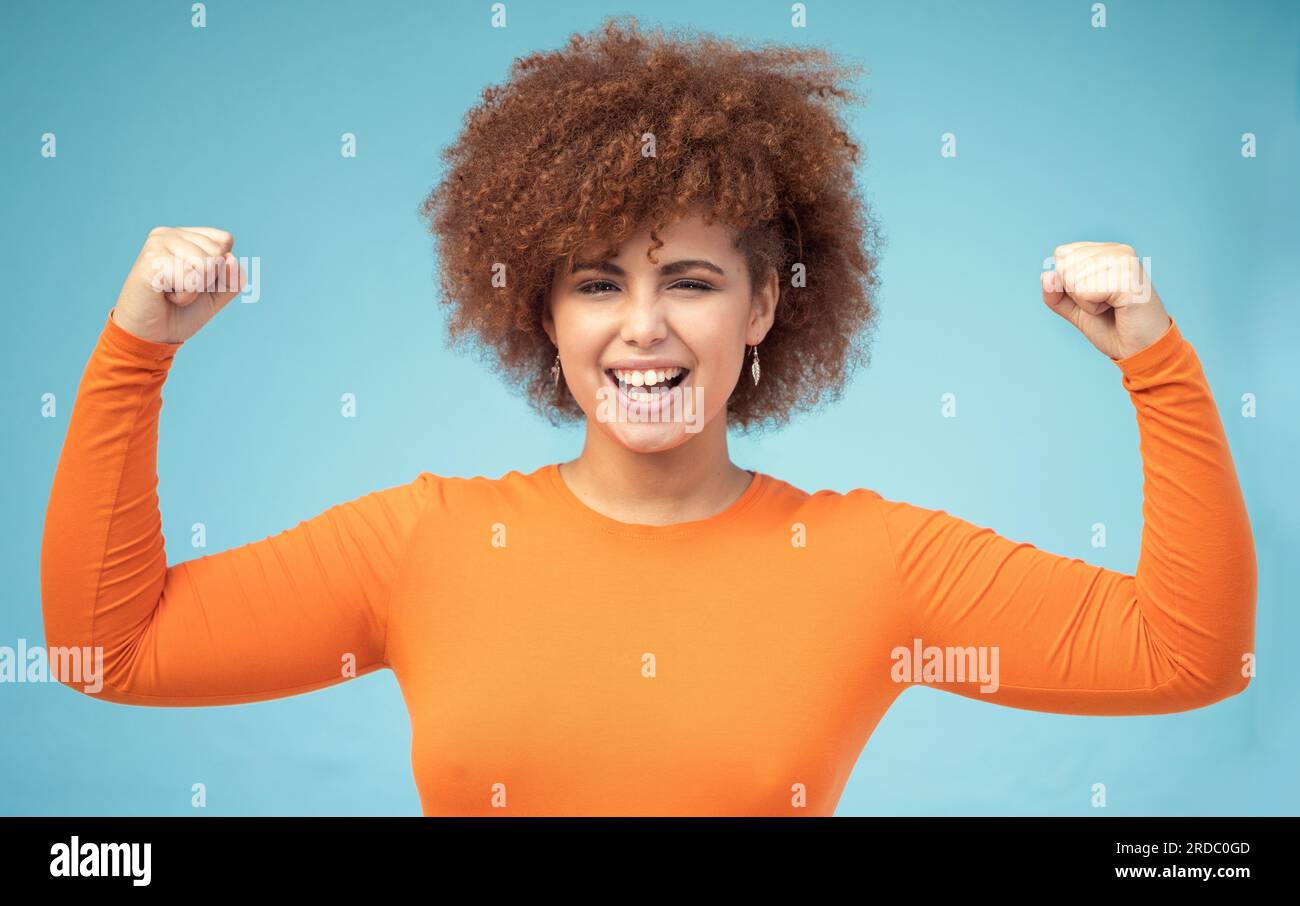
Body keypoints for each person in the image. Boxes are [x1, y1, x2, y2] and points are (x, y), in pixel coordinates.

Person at [40, 17, 1255, 816]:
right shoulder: (424, 545)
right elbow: (110, 653)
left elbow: (1186, 656)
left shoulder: (871, 564)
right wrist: (135, 349)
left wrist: (1155, 364)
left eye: (689, 282)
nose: (643, 330)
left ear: (765, 309)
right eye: (595, 284)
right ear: (543, 317)